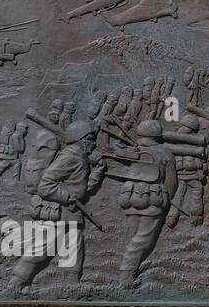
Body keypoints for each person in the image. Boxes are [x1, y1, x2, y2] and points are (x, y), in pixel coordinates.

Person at [11, 118, 105, 290]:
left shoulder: (79, 157)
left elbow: (82, 189)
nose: (93, 144)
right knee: (41, 249)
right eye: (90, 140)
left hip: (71, 211)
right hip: (59, 212)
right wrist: (67, 197)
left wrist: (97, 170)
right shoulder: (69, 157)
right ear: (80, 140)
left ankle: (71, 284)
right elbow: (45, 185)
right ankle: (15, 284)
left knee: (74, 247)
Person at [116, 119, 177, 288]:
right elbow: (171, 182)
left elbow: (113, 149)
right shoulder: (165, 153)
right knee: (143, 239)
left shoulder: (132, 150)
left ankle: (130, 270)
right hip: (153, 200)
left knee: (133, 236)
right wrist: (167, 201)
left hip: (130, 198)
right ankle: (126, 277)